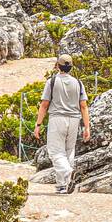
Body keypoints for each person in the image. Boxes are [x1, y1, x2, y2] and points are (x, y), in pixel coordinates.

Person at [33, 54, 91, 195]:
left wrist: (38, 124)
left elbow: (44, 104)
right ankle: (62, 185)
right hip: (74, 120)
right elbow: (83, 106)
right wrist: (87, 127)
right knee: (68, 151)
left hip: (57, 118)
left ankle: (68, 173)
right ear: (71, 67)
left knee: (54, 151)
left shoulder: (52, 81)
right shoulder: (78, 83)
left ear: (57, 66)